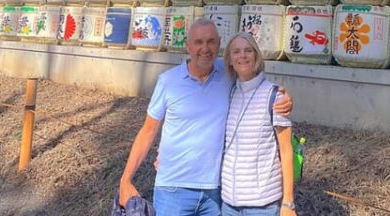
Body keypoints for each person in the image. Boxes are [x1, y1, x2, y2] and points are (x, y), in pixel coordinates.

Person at [118, 18, 292, 216]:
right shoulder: (168, 82)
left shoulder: (228, 73)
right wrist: (125, 180)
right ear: (188, 46)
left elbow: (252, 80)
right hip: (173, 189)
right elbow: (148, 131)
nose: (205, 48)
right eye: (198, 42)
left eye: (211, 41)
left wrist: (284, 96)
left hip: (215, 192)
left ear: (219, 44)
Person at [220, 33, 296, 216]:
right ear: (230, 60)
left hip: (262, 205)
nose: (242, 56)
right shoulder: (228, 93)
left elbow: (286, 151)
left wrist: (288, 202)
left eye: (248, 50)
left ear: (256, 56)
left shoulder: (274, 95)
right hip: (229, 203)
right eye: (236, 52)